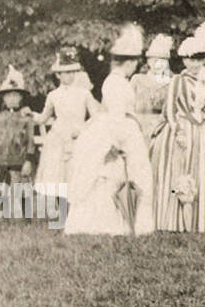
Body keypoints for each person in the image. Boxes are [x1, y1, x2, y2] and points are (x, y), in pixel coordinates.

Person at [65, 24, 155, 236]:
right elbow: (115, 117)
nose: (135, 66)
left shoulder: (118, 81)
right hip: (117, 134)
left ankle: (128, 222)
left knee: (132, 177)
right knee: (112, 177)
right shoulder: (115, 83)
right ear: (129, 62)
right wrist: (116, 145)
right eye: (133, 62)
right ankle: (113, 223)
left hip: (123, 130)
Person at [152, 36, 205, 231]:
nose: (195, 64)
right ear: (184, 60)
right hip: (181, 130)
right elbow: (170, 110)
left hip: (200, 131)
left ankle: (194, 222)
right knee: (178, 172)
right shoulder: (178, 80)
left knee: (197, 171)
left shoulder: (204, 82)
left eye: (199, 59)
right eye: (191, 59)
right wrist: (178, 131)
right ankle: (173, 221)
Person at [34, 47, 99, 203]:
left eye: (73, 72)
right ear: (58, 75)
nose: (70, 76)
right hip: (58, 136)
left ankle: (76, 209)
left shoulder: (84, 93)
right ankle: (60, 209)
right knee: (57, 173)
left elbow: (96, 117)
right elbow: (43, 117)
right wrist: (30, 115)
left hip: (78, 135)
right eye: (66, 72)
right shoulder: (53, 95)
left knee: (76, 172)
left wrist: (83, 129)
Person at [0, 67, 36, 185]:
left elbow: (31, 141)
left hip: (19, 165)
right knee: (0, 198)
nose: (12, 99)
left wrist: (28, 161)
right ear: (4, 98)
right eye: (8, 96)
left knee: (18, 198)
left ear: (20, 97)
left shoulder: (26, 118)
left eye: (15, 95)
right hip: (0, 164)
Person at [131, 34, 172, 141]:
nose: (158, 65)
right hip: (137, 127)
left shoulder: (170, 84)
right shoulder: (138, 80)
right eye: (155, 61)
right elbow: (127, 104)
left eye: (162, 62)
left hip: (160, 130)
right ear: (149, 61)